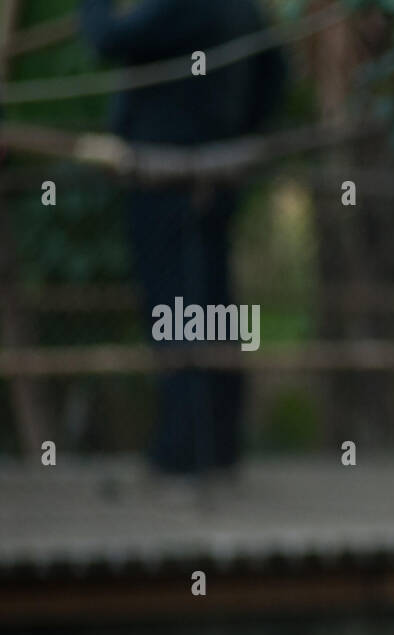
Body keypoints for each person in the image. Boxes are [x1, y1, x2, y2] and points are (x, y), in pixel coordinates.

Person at [82, 0, 286, 474]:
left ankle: (189, 448)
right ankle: (215, 443)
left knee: (178, 306)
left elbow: (109, 39)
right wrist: (233, 137)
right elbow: (275, 77)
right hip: (212, 177)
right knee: (209, 304)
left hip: (169, 179)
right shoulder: (243, 11)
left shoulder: (188, 6)